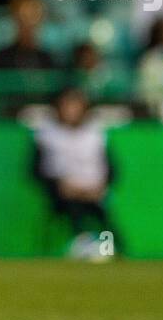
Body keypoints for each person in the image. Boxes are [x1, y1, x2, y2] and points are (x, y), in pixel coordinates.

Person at [32, 87, 120, 259]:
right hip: (63, 194)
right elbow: (35, 170)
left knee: (105, 216)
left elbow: (112, 169)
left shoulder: (96, 133)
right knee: (74, 207)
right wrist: (57, 185)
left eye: (75, 105)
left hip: (94, 192)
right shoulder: (46, 134)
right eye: (67, 105)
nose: (71, 110)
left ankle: (113, 250)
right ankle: (81, 245)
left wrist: (100, 186)